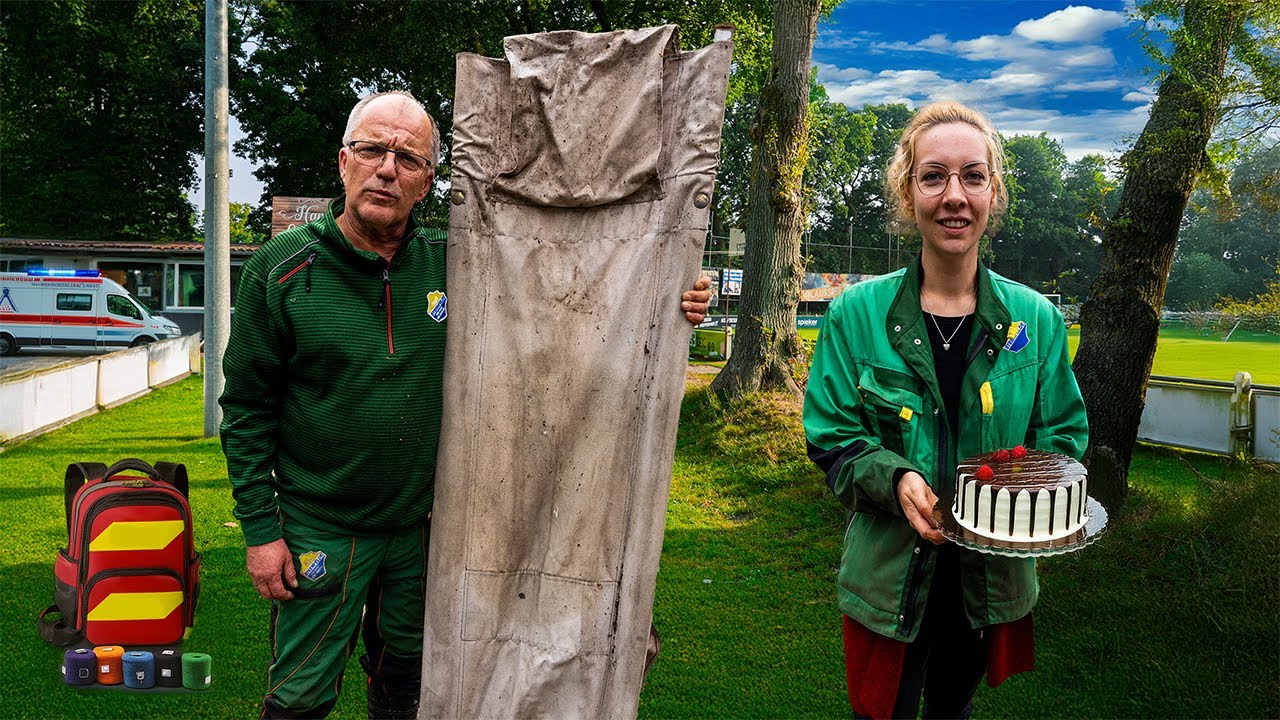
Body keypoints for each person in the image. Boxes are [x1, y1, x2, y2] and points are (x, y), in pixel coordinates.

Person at [219, 90, 712, 719]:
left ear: (428, 181)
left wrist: (670, 297)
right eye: (372, 150)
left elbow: (565, 302)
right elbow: (248, 410)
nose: (387, 169)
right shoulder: (282, 270)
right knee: (300, 694)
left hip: (430, 530)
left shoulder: (462, 265)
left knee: (413, 687)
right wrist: (262, 534)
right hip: (321, 525)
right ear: (344, 161)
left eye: (408, 158)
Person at [802, 101, 1088, 720]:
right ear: (909, 194)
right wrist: (896, 476)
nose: (954, 195)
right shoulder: (856, 315)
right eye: (934, 176)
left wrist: (1019, 492)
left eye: (973, 176)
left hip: (987, 584)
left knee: (952, 711)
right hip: (888, 580)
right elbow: (831, 436)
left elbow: (1063, 434)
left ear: (994, 193)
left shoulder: (1033, 320)